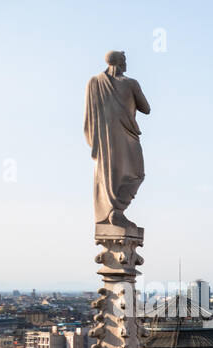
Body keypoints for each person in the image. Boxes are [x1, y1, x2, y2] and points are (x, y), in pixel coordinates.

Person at [84, 51, 150, 228]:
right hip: (126, 136)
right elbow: (146, 108)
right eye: (125, 60)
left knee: (108, 174)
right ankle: (117, 210)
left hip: (104, 138)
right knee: (137, 173)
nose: (126, 63)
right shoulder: (130, 83)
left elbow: (89, 116)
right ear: (120, 63)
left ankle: (112, 210)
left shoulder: (94, 82)